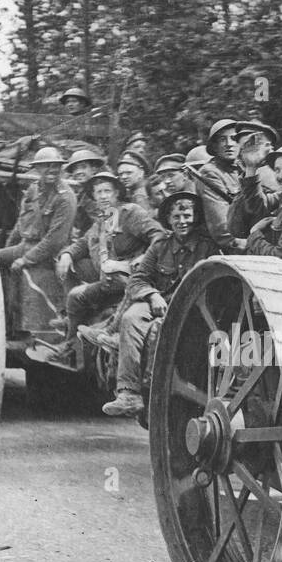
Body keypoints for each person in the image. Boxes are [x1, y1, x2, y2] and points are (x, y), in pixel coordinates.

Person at [101, 192, 219, 417]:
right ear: (168, 219)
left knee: (158, 330)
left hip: (189, 308)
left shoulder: (207, 247)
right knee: (131, 318)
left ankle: (153, 391)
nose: (182, 221)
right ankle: (128, 394)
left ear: (195, 217)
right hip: (158, 301)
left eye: (187, 215)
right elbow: (138, 278)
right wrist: (152, 295)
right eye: (176, 216)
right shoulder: (160, 246)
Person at [54, 171, 162, 367]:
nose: (103, 196)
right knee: (74, 296)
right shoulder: (102, 219)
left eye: (107, 191)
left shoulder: (131, 213)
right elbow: (84, 243)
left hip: (131, 282)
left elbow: (159, 236)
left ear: (117, 194)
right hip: (107, 284)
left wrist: (138, 261)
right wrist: (67, 254)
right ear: (93, 196)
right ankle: (69, 342)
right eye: (98, 192)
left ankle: (96, 335)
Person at [0, 146, 79, 354]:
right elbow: (21, 224)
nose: (51, 170)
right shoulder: (33, 190)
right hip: (26, 245)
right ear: (37, 169)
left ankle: (19, 327)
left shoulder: (65, 197)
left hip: (51, 253)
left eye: (56, 166)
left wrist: (25, 259)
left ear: (61, 168)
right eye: (46, 166)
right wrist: (9, 248)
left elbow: (55, 241)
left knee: (17, 266)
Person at [191, 119, 248, 251]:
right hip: (224, 250)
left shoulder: (244, 169)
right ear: (215, 145)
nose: (229, 144)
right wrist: (256, 246)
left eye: (234, 138)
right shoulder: (209, 173)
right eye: (223, 139)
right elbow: (223, 231)